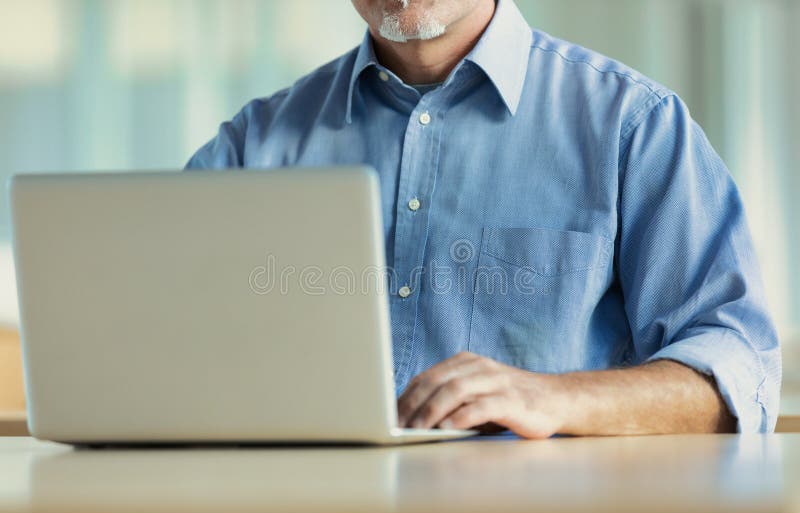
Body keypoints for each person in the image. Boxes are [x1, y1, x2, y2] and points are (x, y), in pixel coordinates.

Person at [186, 0, 781, 438]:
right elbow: (150, 339)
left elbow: (739, 366)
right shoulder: (252, 146)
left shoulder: (634, 125)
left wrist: (556, 399)